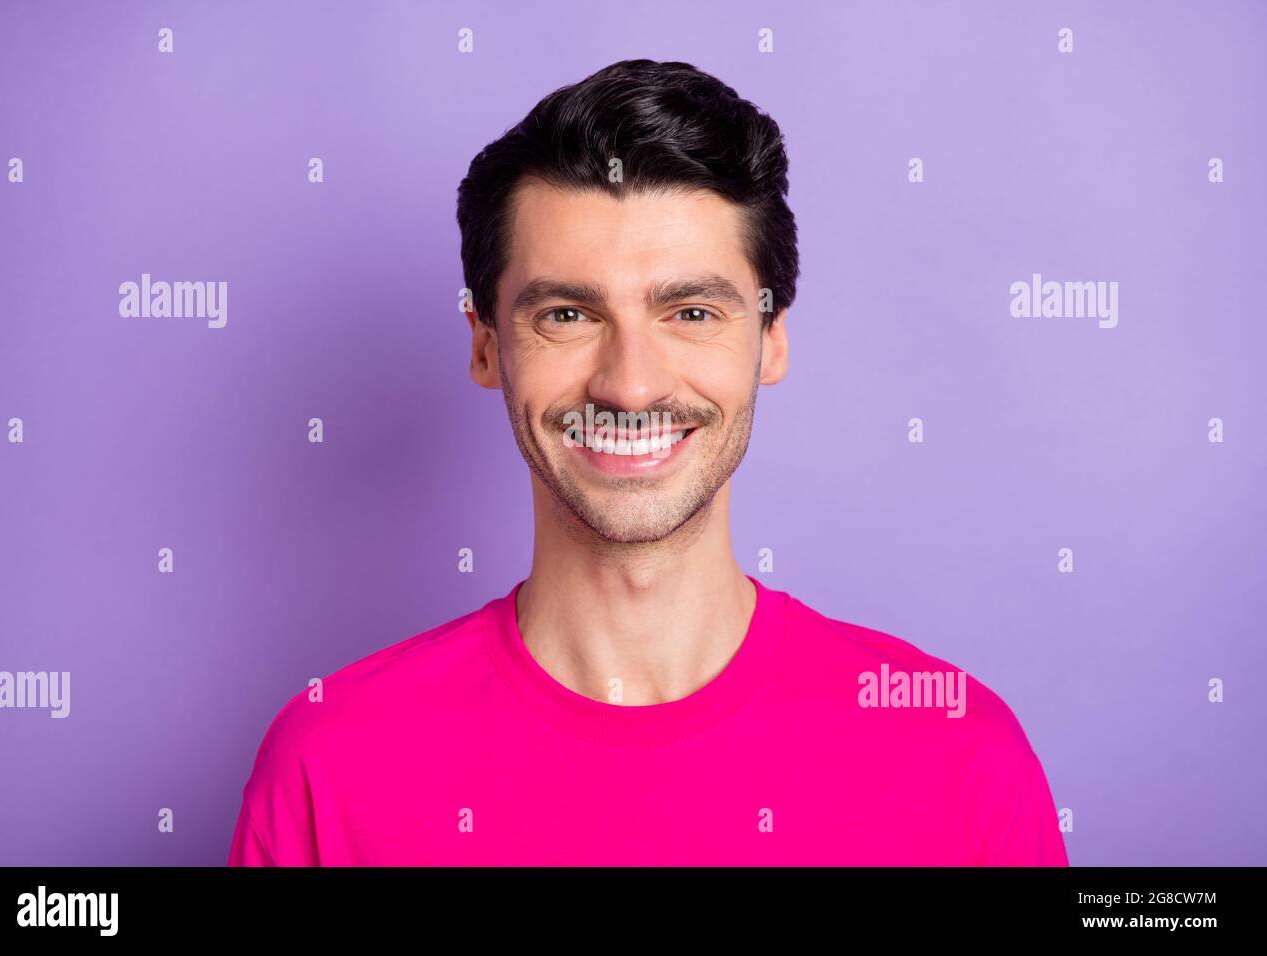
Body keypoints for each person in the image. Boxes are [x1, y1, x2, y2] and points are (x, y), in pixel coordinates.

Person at [228, 59, 1068, 866]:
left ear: (770, 340)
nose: (630, 386)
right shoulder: (329, 764)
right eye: (567, 314)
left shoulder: (958, 757)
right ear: (487, 347)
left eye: (692, 311)